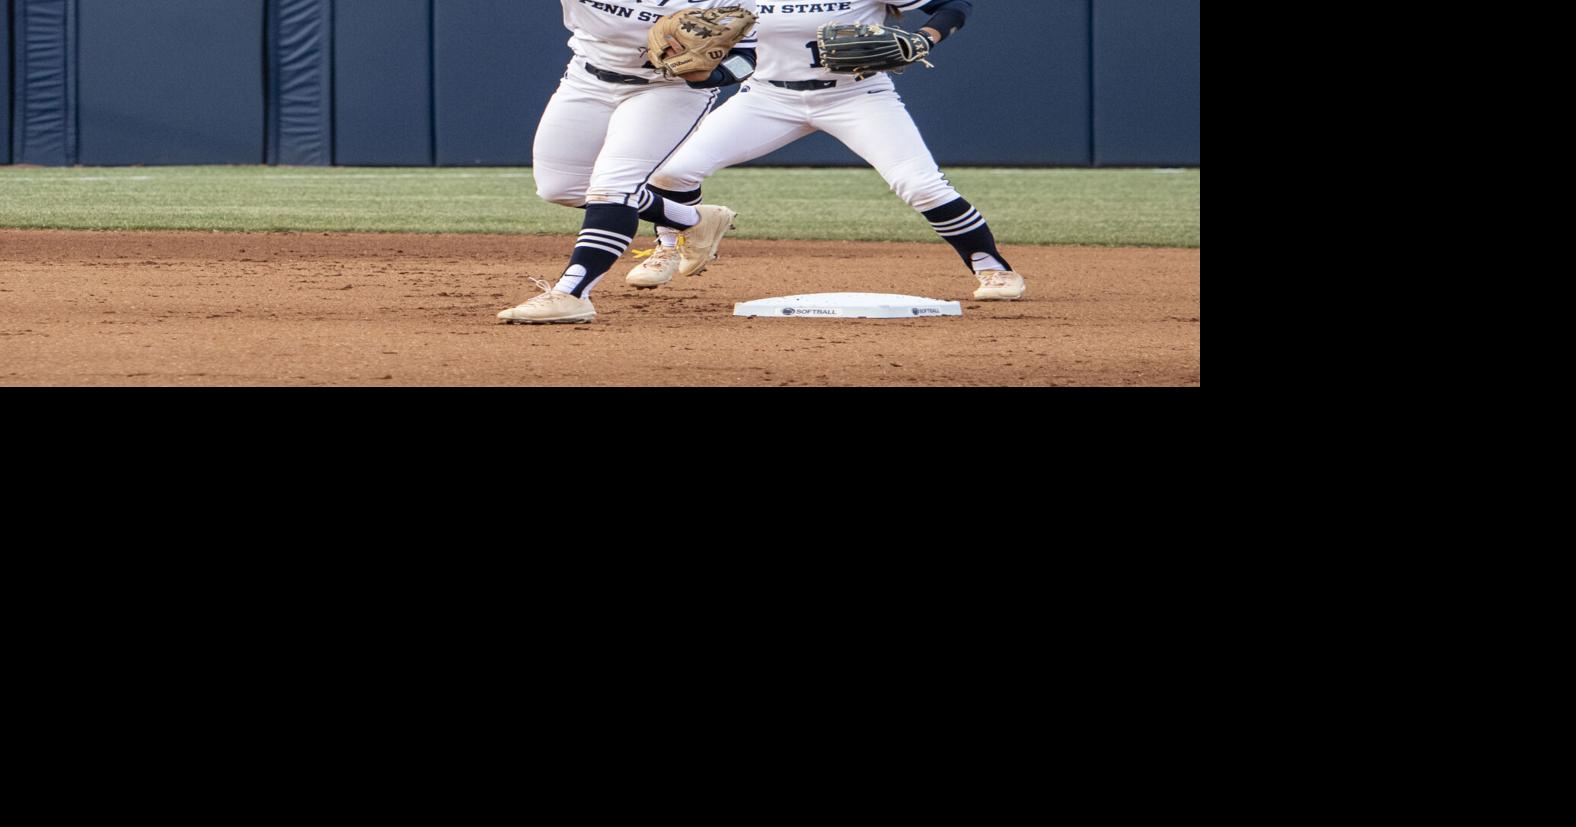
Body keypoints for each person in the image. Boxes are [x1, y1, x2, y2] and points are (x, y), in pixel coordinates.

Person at [626, 0, 1026, 301]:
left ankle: (992, 268)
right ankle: (670, 246)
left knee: (920, 185)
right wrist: (703, 73)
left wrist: (925, 38)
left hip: (857, 94)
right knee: (672, 172)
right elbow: (741, 58)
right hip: (766, 97)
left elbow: (954, 5)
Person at [498, 1, 759, 325]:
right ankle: (692, 220)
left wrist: (707, 74)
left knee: (613, 189)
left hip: (669, 89)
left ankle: (572, 294)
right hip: (587, 79)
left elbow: (746, 60)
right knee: (560, 188)